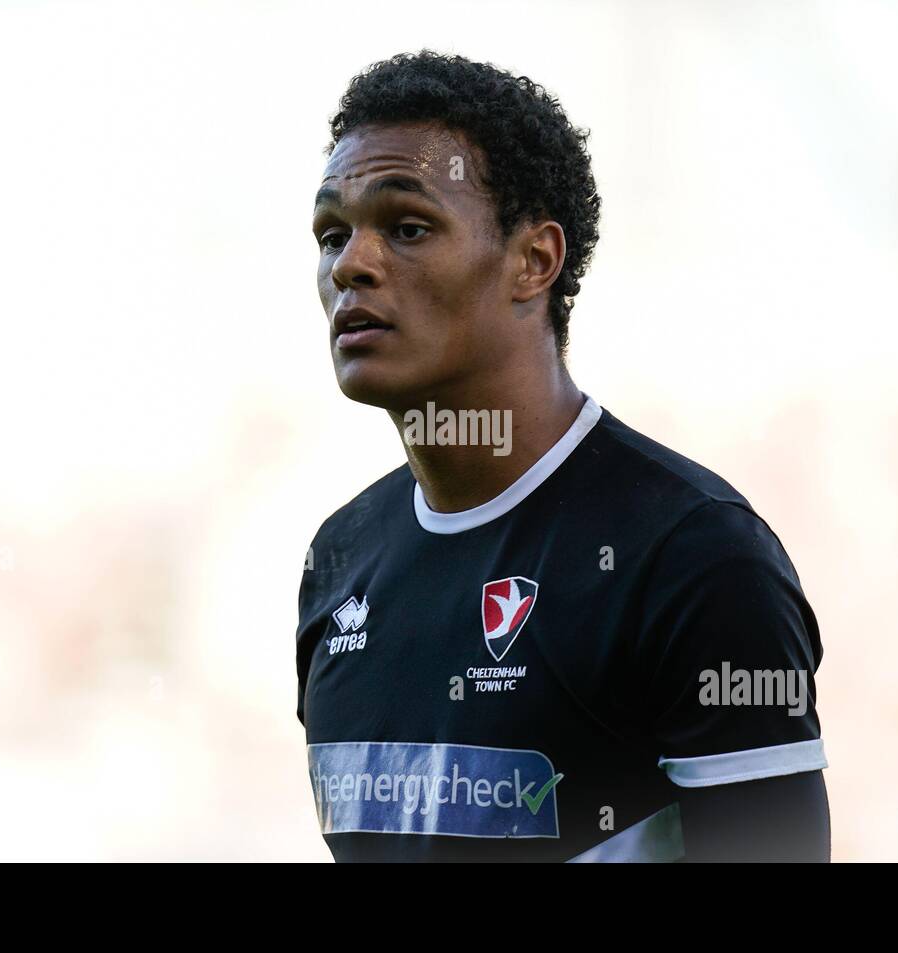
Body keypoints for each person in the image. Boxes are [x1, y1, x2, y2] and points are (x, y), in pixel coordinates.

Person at [297, 50, 829, 861]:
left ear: (534, 261)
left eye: (407, 227)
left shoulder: (693, 557)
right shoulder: (339, 562)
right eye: (332, 235)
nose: (351, 264)